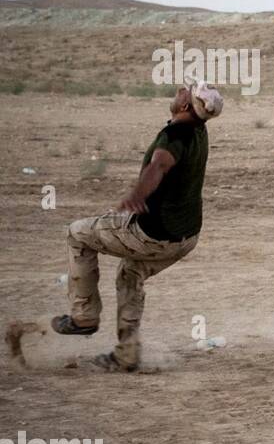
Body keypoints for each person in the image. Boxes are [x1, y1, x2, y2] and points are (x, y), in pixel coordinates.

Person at [51, 79, 222, 372]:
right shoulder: (198, 131)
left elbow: (159, 164)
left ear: (184, 105)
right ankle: (126, 354)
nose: (179, 90)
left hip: (152, 234)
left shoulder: (175, 135)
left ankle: (83, 318)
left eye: (184, 90)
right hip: (184, 236)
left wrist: (137, 194)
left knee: (77, 233)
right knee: (130, 274)